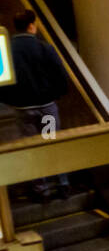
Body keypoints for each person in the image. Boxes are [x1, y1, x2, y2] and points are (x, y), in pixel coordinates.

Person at [0, 10, 70, 198]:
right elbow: (62, 77)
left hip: (23, 110)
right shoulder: (44, 47)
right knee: (52, 142)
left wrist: (11, 101)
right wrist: (56, 95)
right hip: (46, 107)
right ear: (32, 25)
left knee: (32, 148)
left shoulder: (7, 51)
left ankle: (41, 189)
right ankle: (62, 183)